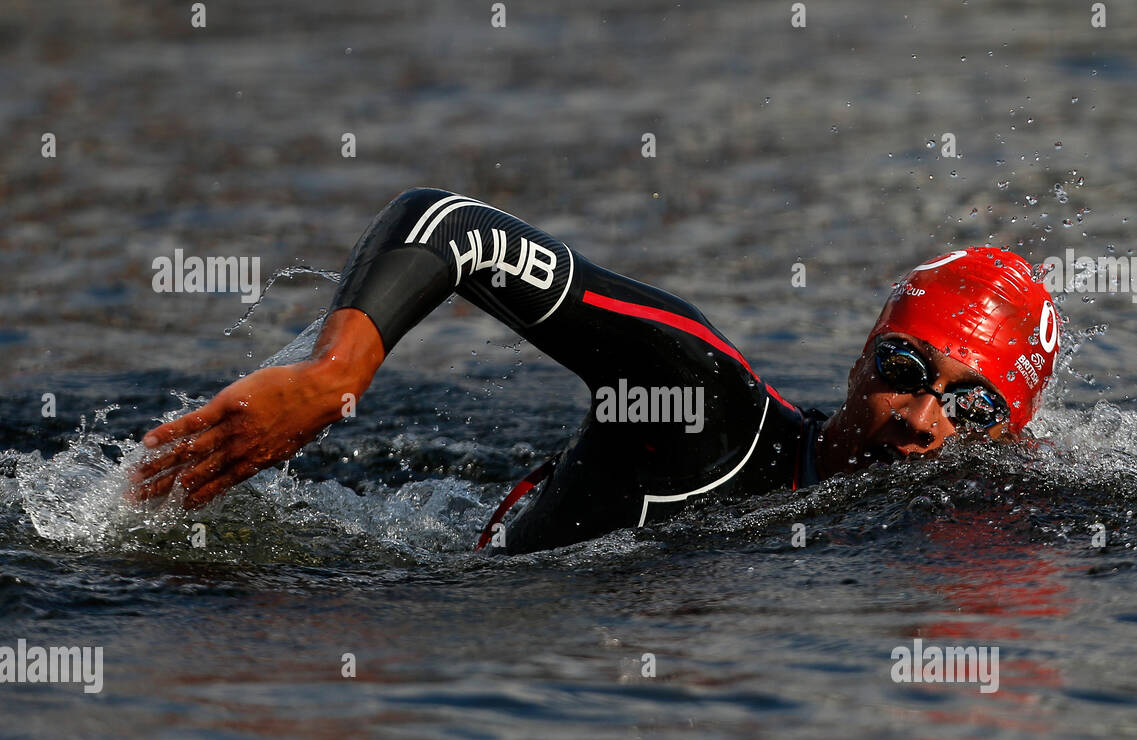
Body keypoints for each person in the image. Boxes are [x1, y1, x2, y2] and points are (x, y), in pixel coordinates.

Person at [127, 188, 1060, 554]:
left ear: (1011, 436)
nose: (923, 419)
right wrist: (336, 370)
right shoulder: (701, 401)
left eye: (974, 408)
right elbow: (452, 224)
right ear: (863, 358)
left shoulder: (979, 527)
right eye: (906, 368)